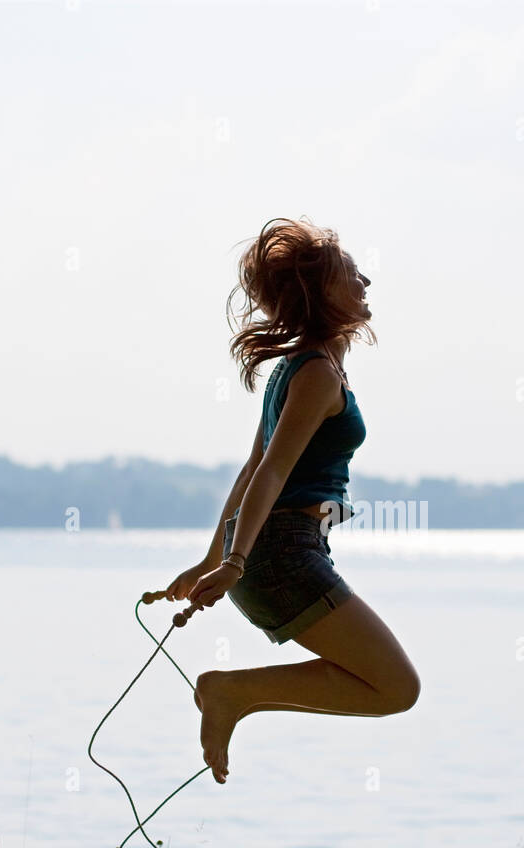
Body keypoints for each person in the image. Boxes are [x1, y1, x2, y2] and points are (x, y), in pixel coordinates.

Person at [155, 217, 420, 785]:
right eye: (353, 273)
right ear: (323, 292)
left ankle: (235, 693)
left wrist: (216, 557)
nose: (367, 280)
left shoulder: (300, 368)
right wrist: (232, 561)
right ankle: (231, 692)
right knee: (397, 687)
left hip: (271, 555)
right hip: (279, 555)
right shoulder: (318, 375)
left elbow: (253, 468)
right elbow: (269, 472)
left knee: (391, 686)